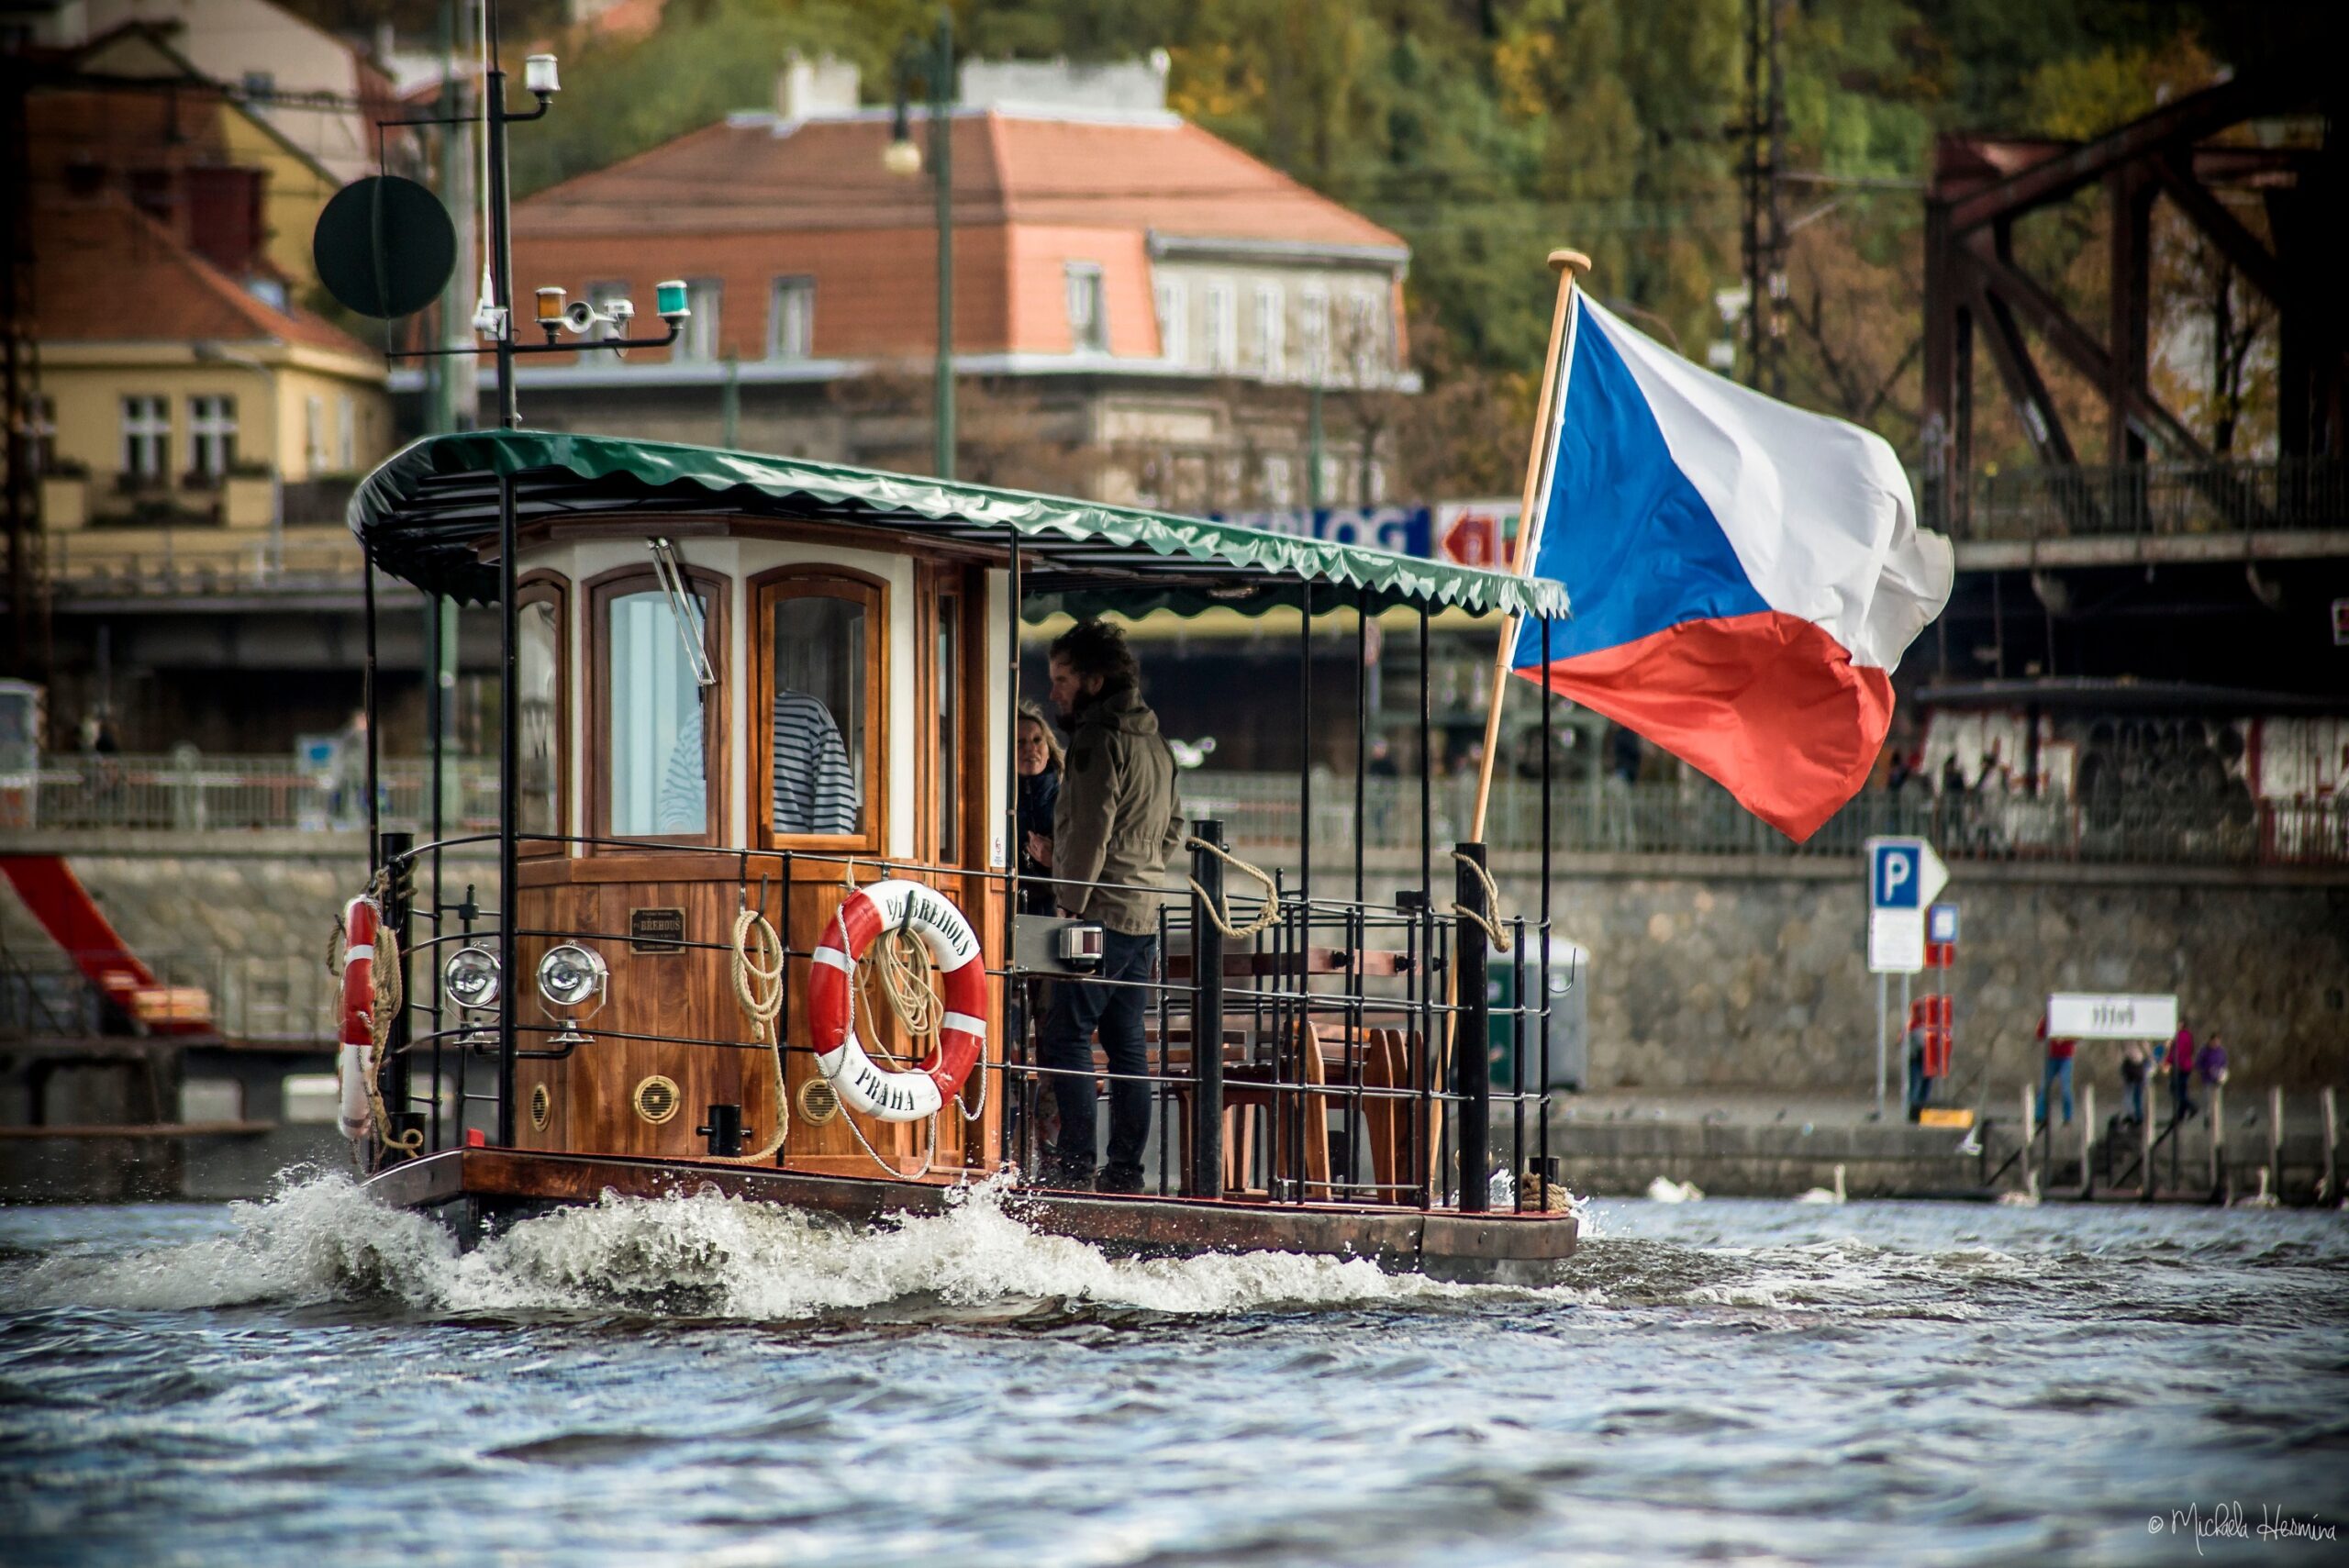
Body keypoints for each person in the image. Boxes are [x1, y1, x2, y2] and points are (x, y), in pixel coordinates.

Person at [1033, 620, 1185, 1195]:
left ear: (1094, 682)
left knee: (1065, 1036)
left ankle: (1073, 1166)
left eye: (1063, 680)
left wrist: (1070, 903)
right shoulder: (1156, 740)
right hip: (1142, 915)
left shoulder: (1100, 739)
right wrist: (1141, 873)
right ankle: (1124, 1172)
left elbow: (1090, 833)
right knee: (1126, 1048)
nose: (1055, 693)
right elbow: (1175, 827)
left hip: (1097, 912)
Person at [1014, 699, 1062, 916]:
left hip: (1057, 910)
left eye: (1036, 740)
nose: (1030, 749)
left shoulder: (1068, 801)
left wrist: (1055, 860)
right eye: (1020, 743)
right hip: (1006, 907)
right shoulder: (994, 804)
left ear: (1048, 749)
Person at [2034, 1012, 2076, 1127]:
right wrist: (2044, 1021)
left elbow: (2077, 1037)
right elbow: (2039, 1035)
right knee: (2044, 1088)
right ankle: (2039, 1116)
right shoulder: (2049, 1017)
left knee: (2066, 1089)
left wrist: (2065, 1038)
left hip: (2066, 1058)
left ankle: (2068, 1117)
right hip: (2051, 1057)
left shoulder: (2070, 1019)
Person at [1903, 1001, 1932, 1121]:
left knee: (1925, 1086)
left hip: (1928, 1060)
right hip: (1917, 1059)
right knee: (1916, 1086)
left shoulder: (1930, 1024)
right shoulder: (1913, 1025)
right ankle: (1913, 1114)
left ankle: (1923, 1112)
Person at [2167, 1022, 2198, 1124]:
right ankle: (2180, 1114)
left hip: (2180, 1066)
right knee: (2182, 1090)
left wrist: (2168, 1061)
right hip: (2186, 1065)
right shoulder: (2187, 1035)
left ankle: (2191, 1105)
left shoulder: (2180, 1036)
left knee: (2175, 1089)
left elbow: (2177, 1052)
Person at [2119, 1039, 2148, 1129]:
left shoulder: (2126, 1039)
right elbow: (2146, 1048)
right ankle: (2136, 1115)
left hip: (2131, 1066)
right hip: (2136, 1066)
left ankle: (2133, 1115)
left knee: (2131, 1093)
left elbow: (2124, 1050)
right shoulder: (2140, 1039)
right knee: (2135, 1094)